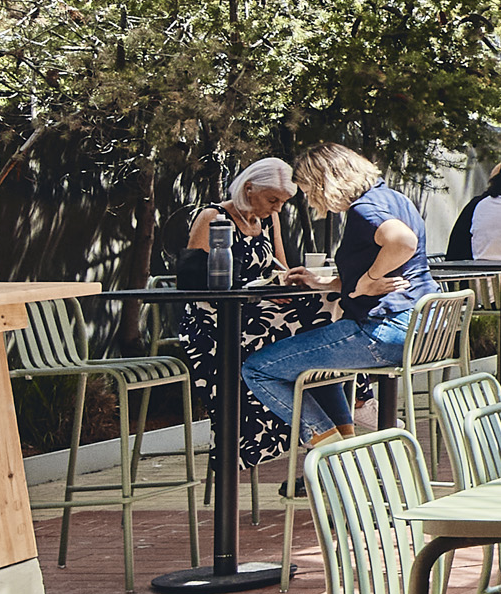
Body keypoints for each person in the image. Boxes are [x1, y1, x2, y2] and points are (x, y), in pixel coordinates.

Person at [241, 142, 434, 447]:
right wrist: (324, 282)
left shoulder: (364, 209)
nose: (309, 198)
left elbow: (403, 242)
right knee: (318, 368)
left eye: (307, 188)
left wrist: (370, 280)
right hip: (424, 328)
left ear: (324, 182)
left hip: (386, 332)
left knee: (257, 369)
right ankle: (342, 445)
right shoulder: (393, 198)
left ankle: (333, 452)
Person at [176, 157, 327, 474]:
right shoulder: (213, 217)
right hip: (214, 322)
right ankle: (332, 421)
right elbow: (192, 280)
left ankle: (333, 411)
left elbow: (280, 270)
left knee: (323, 312)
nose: (277, 209)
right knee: (309, 327)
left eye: (283, 203)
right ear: (249, 189)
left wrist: (295, 281)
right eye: (273, 200)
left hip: (259, 315)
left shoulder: (270, 222)